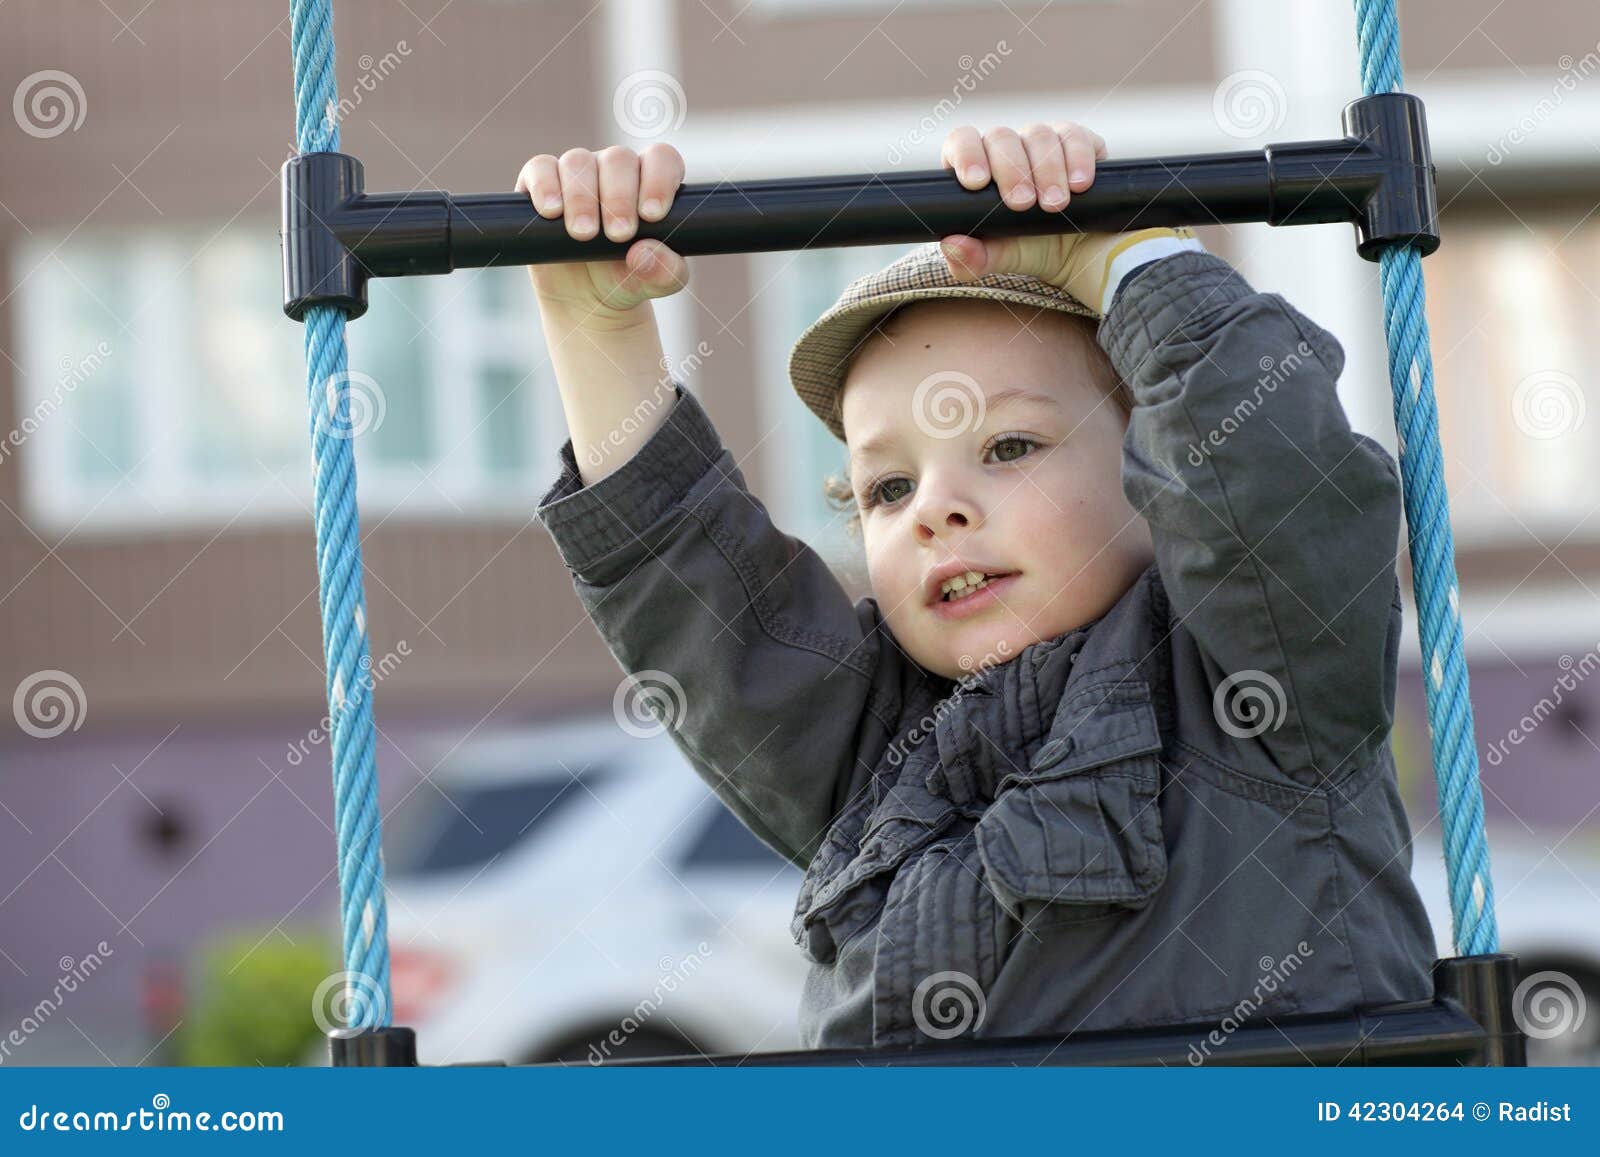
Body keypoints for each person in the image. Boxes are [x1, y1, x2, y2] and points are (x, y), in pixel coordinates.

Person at [520, 122, 1438, 1051]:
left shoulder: (1256, 675)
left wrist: (1120, 257)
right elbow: (706, 607)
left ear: (1159, 461)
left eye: (1008, 448)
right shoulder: (876, 753)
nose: (935, 510)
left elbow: (1270, 468)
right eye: (887, 487)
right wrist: (595, 325)